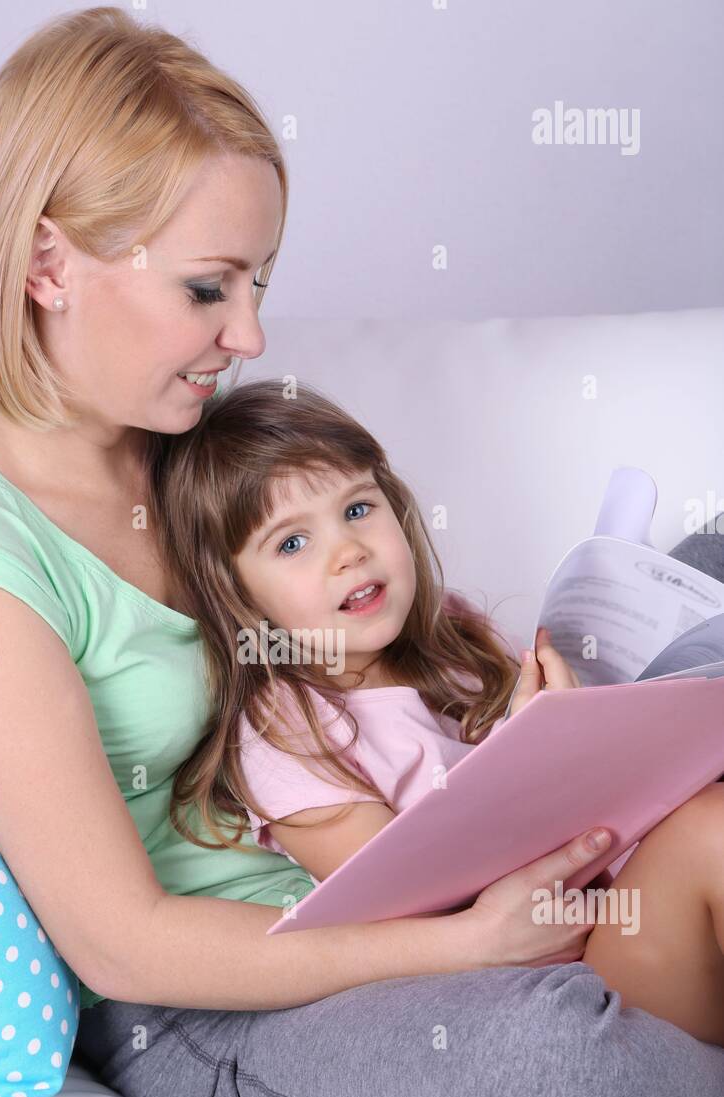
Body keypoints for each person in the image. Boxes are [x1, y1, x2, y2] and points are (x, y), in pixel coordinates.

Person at [0, 7, 723, 1097]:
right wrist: (463, 947)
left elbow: (373, 645)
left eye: (256, 284)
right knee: (557, 1079)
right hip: (230, 988)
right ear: (47, 265)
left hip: (416, 878)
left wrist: (530, 743)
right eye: (207, 287)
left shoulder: (176, 442)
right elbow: (124, 948)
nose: (250, 336)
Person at [151, 378, 724, 1050]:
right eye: (292, 544)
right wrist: (537, 754)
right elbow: (413, 913)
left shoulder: (454, 635)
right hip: (553, 978)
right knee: (705, 831)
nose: (348, 551)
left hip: (614, 908)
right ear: (233, 591)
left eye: (358, 509)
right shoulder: (288, 736)